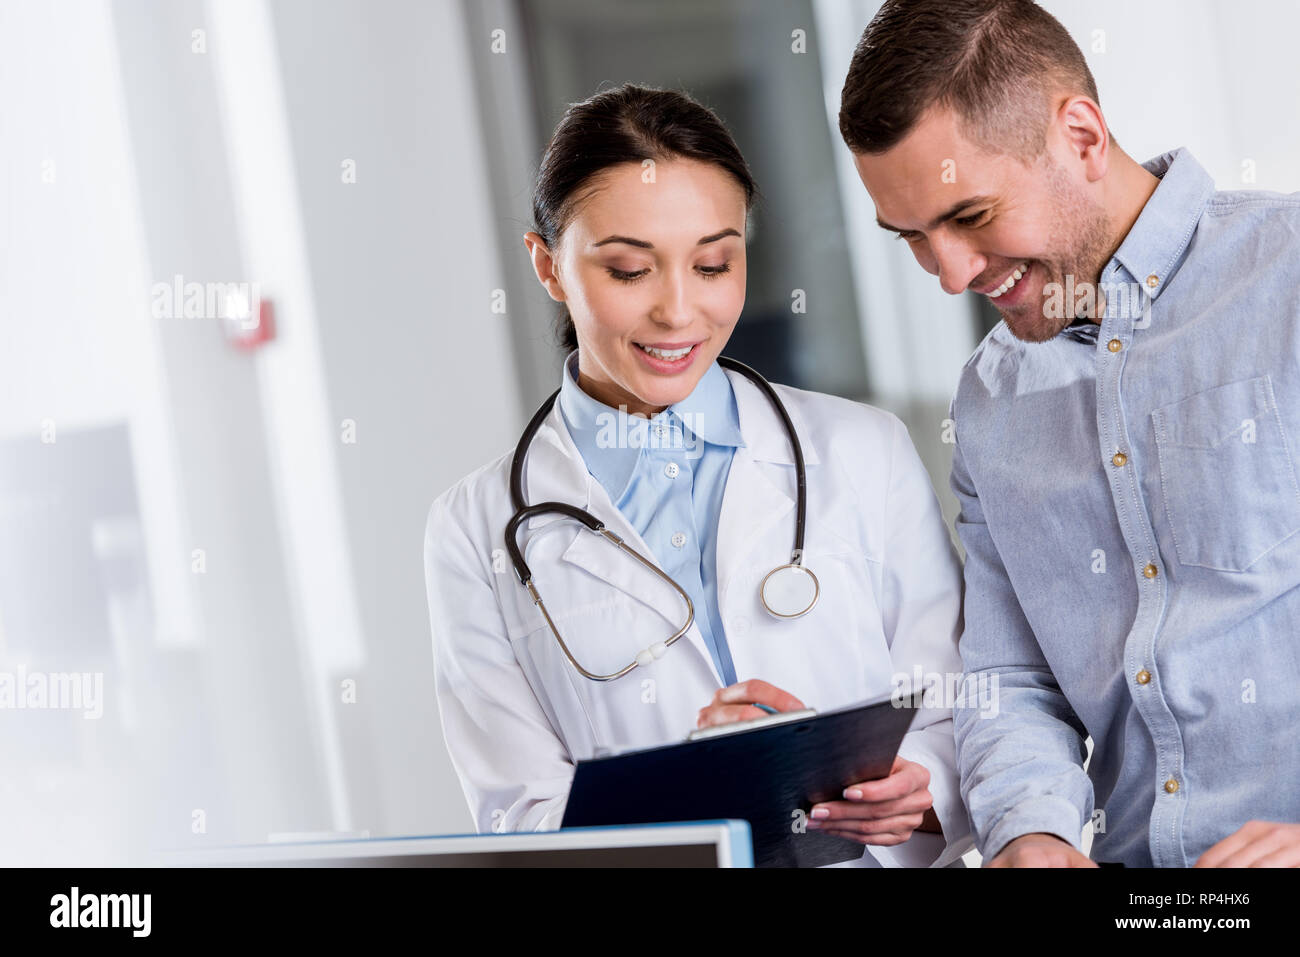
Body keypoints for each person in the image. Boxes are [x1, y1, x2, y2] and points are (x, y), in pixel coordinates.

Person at [424, 83, 974, 867]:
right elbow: (519, 817)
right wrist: (694, 788)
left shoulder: (863, 451)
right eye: (628, 271)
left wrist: (917, 788)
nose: (679, 312)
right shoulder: (470, 530)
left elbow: (958, 711)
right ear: (548, 266)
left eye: (714, 263)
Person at [839, 0, 1300, 867]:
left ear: (1082, 137)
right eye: (913, 239)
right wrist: (1031, 830)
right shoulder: (992, 397)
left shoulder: (1289, 276)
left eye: (970, 216)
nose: (951, 275)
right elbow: (1010, 678)